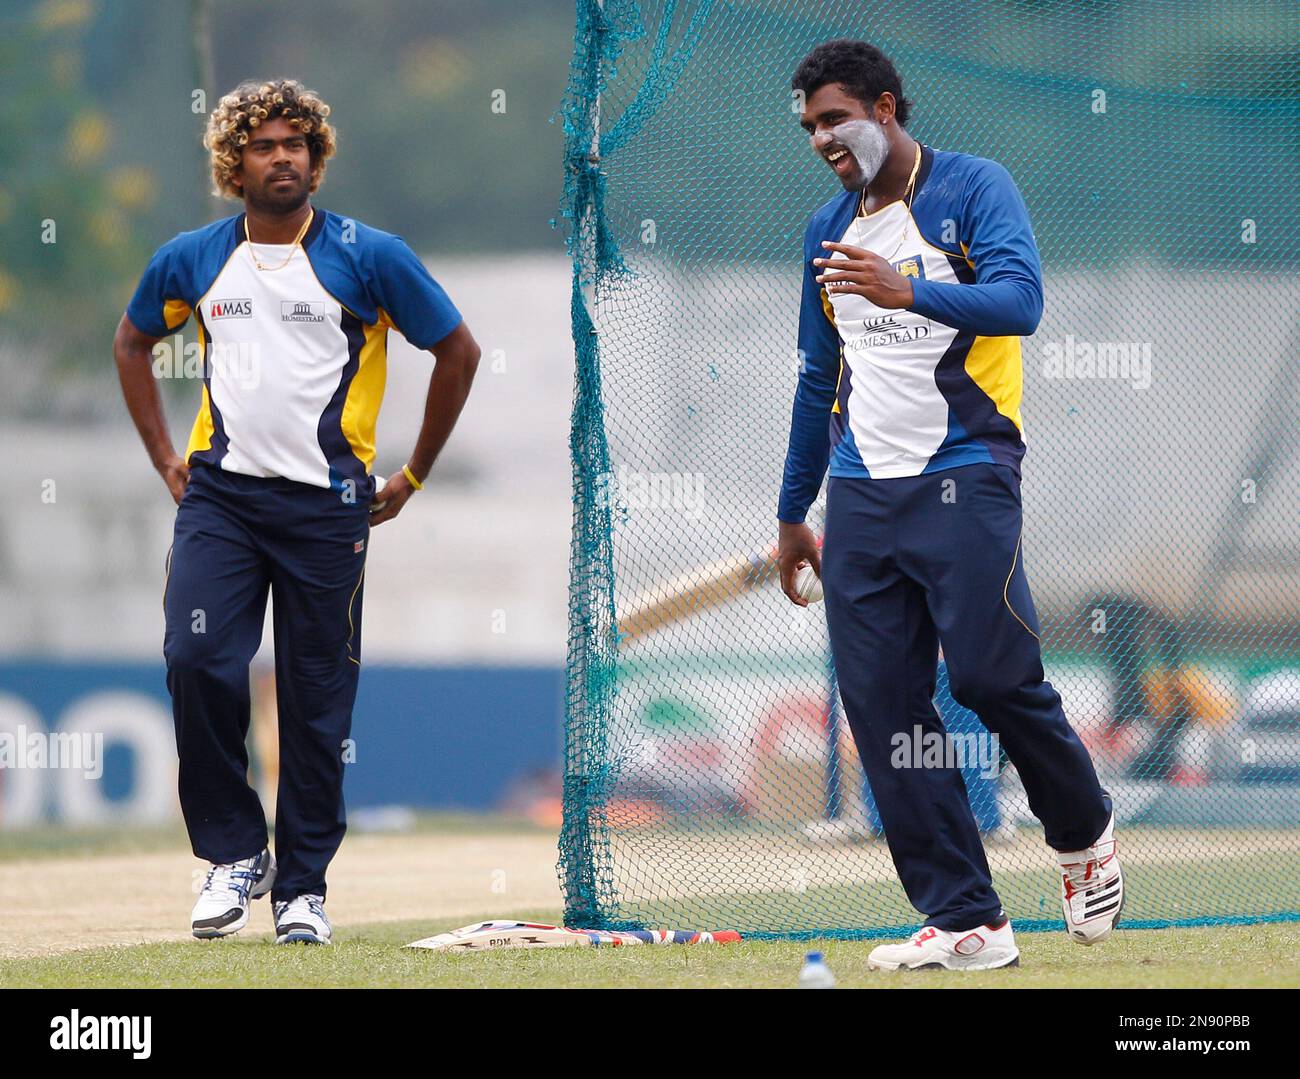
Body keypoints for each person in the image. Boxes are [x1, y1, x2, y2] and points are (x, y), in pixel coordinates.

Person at [776, 41, 1122, 971]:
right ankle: (967, 916)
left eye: (834, 119)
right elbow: (819, 377)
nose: (820, 139)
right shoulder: (824, 231)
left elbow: (1020, 301)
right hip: (857, 497)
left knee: (988, 677)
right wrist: (789, 513)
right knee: (885, 711)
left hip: (966, 474)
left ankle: (1084, 832)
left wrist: (909, 289)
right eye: (808, 126)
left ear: (886, 108)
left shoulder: (973, 188)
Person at [114, 79, 481, 944]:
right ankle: (234, 854)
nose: (283, 157)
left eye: (297, 143)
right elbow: (133, 341)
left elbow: (457, 350)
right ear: (232, 164)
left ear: (317, 157)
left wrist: (416, 472)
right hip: (222, 499)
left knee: (317, 701)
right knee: (196, 655)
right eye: (264, 145)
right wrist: (167, 457)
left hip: (329, 509)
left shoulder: (370, 255)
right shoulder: (193, 257)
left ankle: (303, 888)